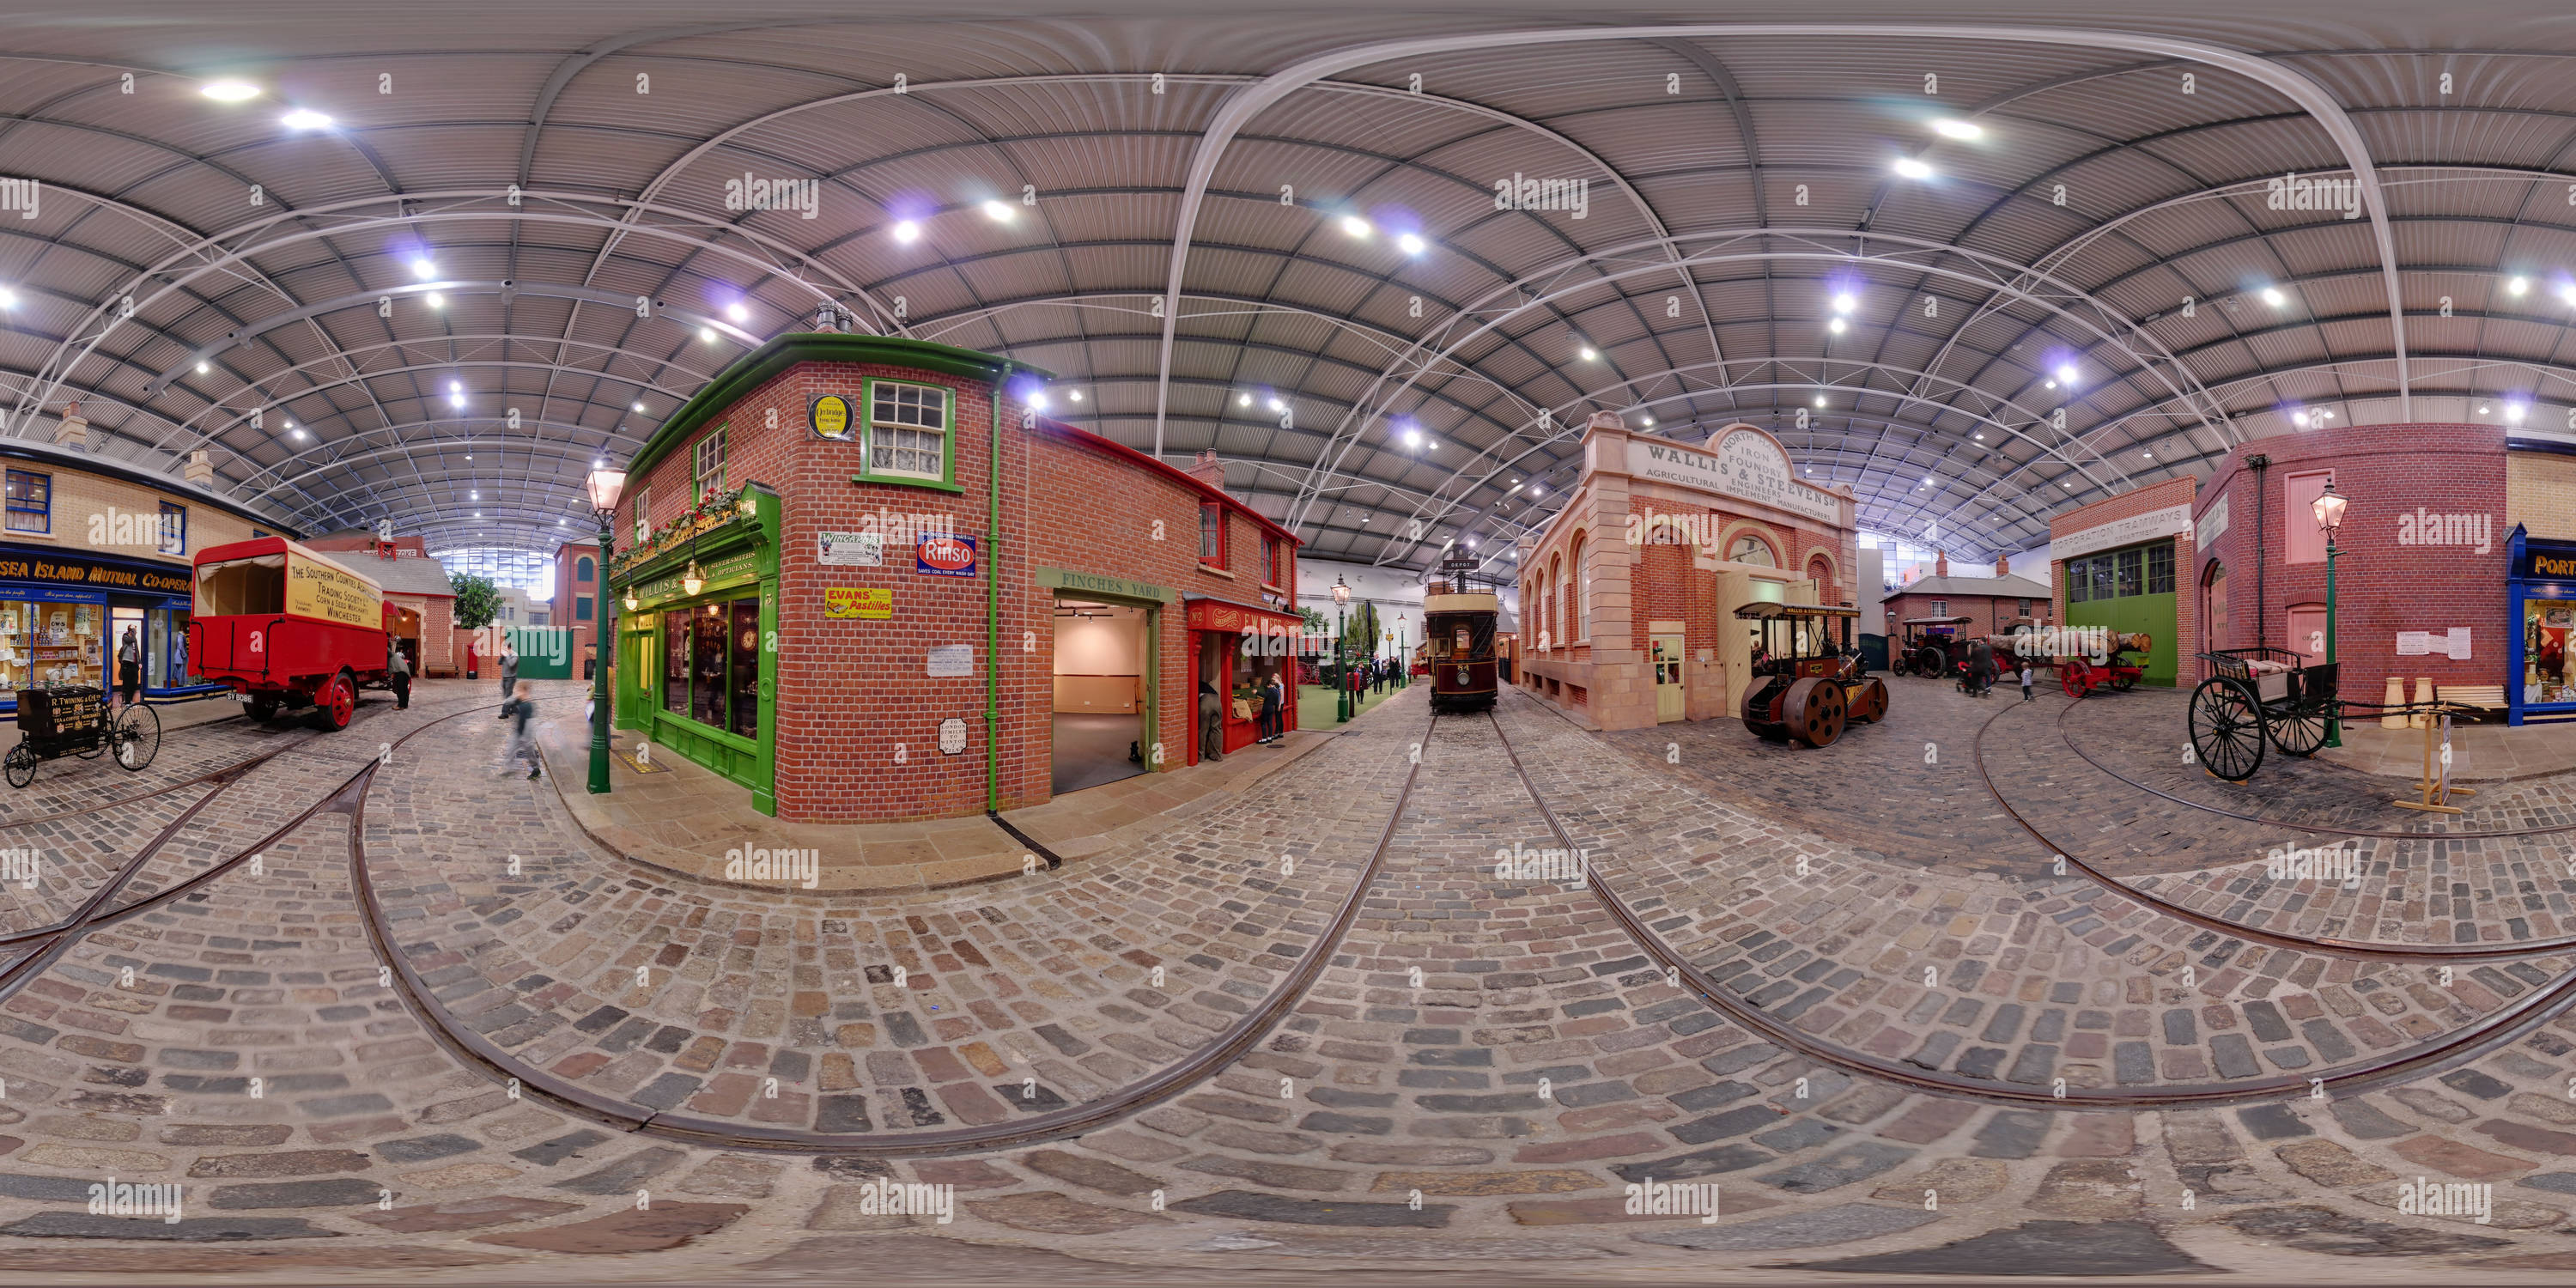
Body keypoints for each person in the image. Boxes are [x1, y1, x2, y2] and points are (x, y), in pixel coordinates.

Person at [498, 679, 540, 780]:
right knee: (510, 749)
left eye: (519, 691)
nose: (517, 693)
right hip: (518, 731)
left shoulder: (528, 706)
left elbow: (530, 723)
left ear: (525, 691)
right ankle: (509, 769)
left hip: (526, 734)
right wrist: (514, 698)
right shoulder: (519, 701)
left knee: (530, 752)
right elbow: (508, 702)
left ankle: (536, 769)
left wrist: (526, 737)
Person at [1196, 675, 1224, 762]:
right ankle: (1217, 755)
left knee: (1203, 730)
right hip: (1217, 700)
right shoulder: (1205, 684)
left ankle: (1201, 756)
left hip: (1206, 701)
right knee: (1217, 729)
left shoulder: (1195, 684)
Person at [115, 626, 140, 707]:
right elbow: (130, 640)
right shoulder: (125, 637)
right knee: (127, 684)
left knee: (134, 683)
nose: (136, 631)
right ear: (130, 631)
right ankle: (127, 702)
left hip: (134, 664)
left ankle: (130, 700)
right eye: (134, 630)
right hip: (127, 664)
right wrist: (133, 634)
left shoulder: (134, 639)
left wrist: (139, 662)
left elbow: (137, 651)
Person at [1258, 669, 1284, 744]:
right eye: (1272, 679)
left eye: (1274, 678)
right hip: (1273, 707)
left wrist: (1257, 692)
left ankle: (1266, 738)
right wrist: (1276, 704)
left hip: (1270, 707)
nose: (1273, 680)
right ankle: (1271, 736)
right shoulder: (1275, 689)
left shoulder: (1273, 688)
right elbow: (1276, 698)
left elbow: (1280, 697)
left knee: (1266, 722)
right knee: (1271, 722)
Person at [387, 638, 412, 710]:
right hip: (405, 671)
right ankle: (405, 705)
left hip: (400, 672)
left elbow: (391, 667)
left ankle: (400, 705)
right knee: (404, 689)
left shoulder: (391, 656)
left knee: (400, 689)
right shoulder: (395, 656)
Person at [496, 641, 519, 716]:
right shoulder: (505, 655)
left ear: (509, 648)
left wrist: (507, 656)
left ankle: (504, 713)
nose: (503, 650)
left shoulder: (515, 655)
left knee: (507, 696)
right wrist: (502, 656)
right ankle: (515, 709)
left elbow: (511, 664)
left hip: (511, 678)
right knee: (507, 695)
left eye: (505, 648)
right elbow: (499, 663)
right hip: (504, 678)